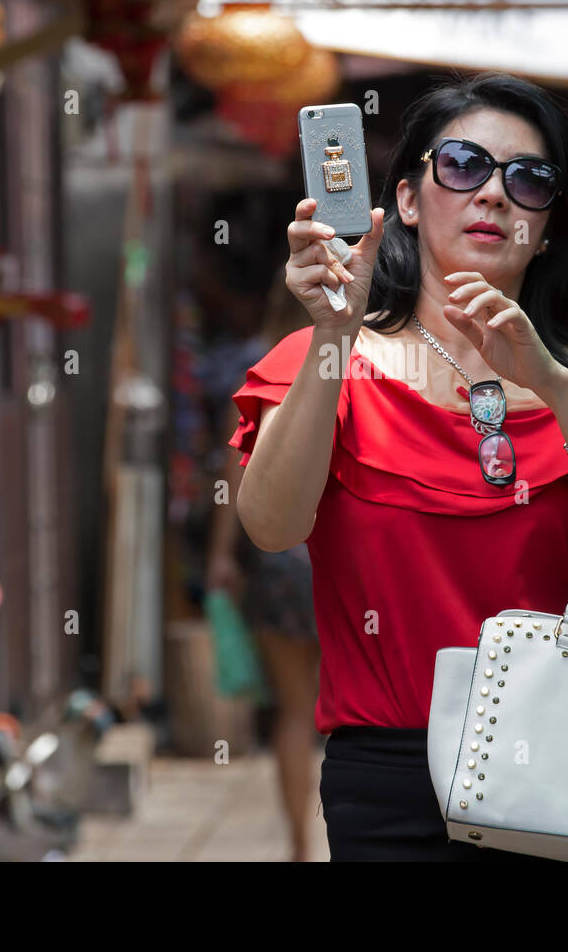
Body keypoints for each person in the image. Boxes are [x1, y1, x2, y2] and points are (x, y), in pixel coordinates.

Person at [227, 71, 568, 862]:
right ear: (407, 199)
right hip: (388, 781)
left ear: (546, 226)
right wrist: (334, 333)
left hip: (563, 765)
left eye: (529, 180)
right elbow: (271, 525)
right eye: (464, 165)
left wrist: (555, 386)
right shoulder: (325, 362)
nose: (495, 194)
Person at [205, 268, 321, 863]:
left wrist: (223, 556)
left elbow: (236, 470)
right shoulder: (362, 359)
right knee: (350, 713)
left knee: (295, 712)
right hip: (335, 563)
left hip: (279, 563)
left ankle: (302, 847)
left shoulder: (272, 368)